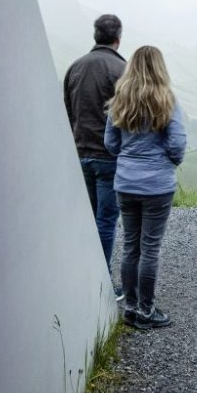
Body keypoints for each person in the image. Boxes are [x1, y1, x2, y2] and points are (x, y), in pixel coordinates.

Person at [102, 44, 187, 328]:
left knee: (130, 247)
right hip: (157, 185)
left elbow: (110, 144)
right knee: (150, 248)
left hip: (125, 182)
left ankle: (131, 308)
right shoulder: (168, 100)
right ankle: (147, 312)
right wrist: (166, 162)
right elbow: (177, 144)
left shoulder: (120, 101)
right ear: (160, 68)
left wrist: (129, 158)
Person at [62, 14, 126, 279]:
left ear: (95, 36)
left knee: (89, 220)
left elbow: (67, 111)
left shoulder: (74, 67)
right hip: (108, 156)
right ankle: (101, 282)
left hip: (80, 152)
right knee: (106, 219)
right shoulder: (122, 70)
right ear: (118, 39)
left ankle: (85, 278)